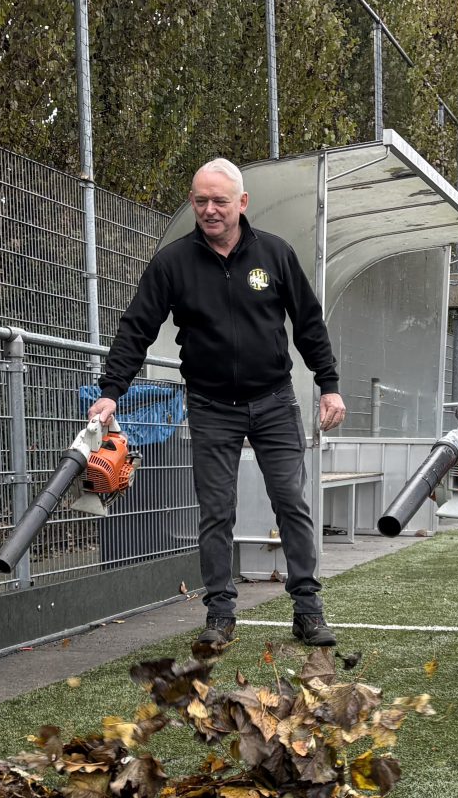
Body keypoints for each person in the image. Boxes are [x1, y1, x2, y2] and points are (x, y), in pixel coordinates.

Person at [91, 158, 346, 649]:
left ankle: (308, 610)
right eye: (201, 200)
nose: (209, 209)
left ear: (242, 203)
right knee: (215, 511)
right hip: (210, 406)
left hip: (273, 401)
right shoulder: (172, 263)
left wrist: (328, 383)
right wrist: (110, 391)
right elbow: (136, 328)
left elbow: (308, 323)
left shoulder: (275, 254)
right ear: (193, 202)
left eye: (219, 201)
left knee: (292, 503)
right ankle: (220, 614)